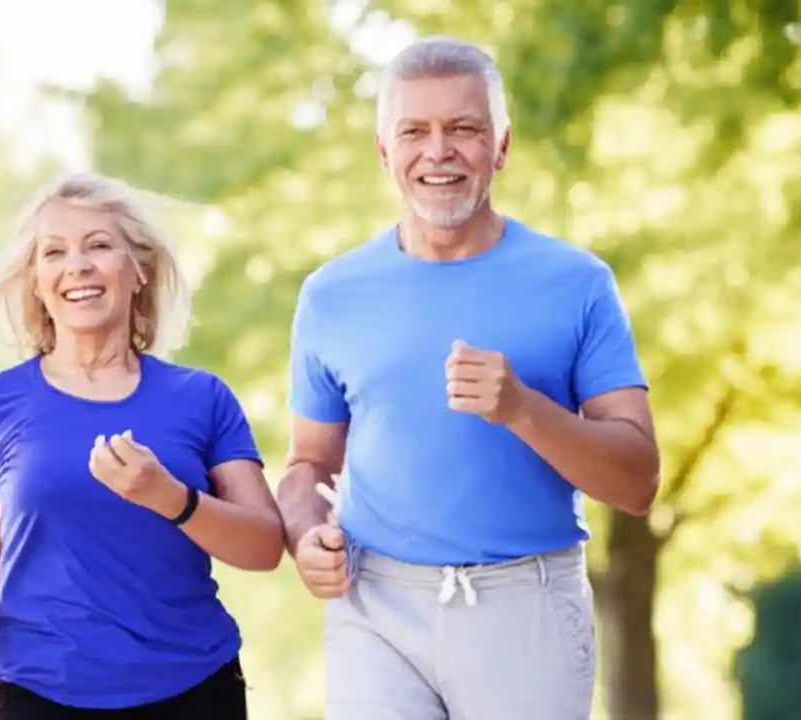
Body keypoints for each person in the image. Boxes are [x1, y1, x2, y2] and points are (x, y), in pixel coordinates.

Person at [277, 36, 661, 720]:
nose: (439, 151)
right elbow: (307, 465)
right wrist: (306, 537)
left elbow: (636, 482)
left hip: (527, 604)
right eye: (414, 132)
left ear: (502, 147)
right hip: (375, 605)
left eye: (464, 129)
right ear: (384, 152)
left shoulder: (577, 283)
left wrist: (523, 410)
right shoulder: (330, 294)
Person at [0, 172, 284, 720]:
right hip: (38, 693)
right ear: (37, 281)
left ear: (138, 269)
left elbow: (264, 547)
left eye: (98, 245)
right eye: (54, 252)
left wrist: (172, 499)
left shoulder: (201, 398)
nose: (77, 266)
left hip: (190, 689)